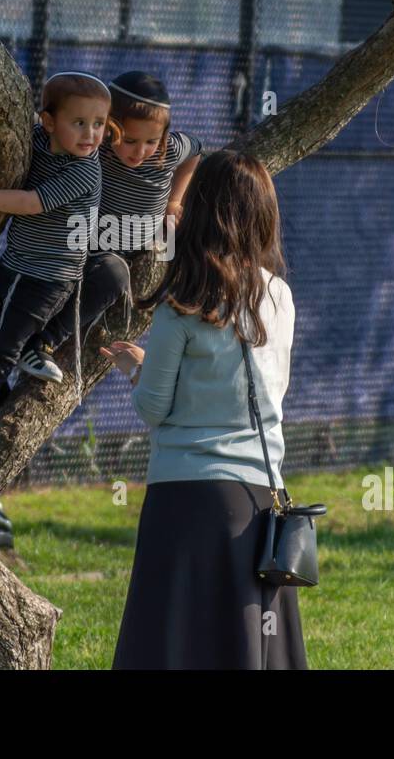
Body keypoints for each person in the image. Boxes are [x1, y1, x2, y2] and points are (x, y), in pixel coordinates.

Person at [100, 150, 307, 669]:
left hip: (185, 499)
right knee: (243, 647)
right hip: (258, 498)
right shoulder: (278, 296)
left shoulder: (183, 302)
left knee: (172, 642)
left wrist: (135, 367)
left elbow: (153, 408)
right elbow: (264, 389)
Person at [0, 71, 202, 387]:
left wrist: (175, 201)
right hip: (76, 250)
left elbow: (196, 152)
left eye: (151, 141)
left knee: (111, 273)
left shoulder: (171, 149)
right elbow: (31, 127)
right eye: (129, 140)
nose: (140, 151)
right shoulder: (95, 146)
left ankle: (42, 344)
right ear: (110, 127)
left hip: (120, 255)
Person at [0, 71, 107, 447]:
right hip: (16, 261)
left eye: (99, 124)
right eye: (79, 123)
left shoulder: (85, 170)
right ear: (48, 122)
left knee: (4, 345)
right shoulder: (37, 136)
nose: (91, 134)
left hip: (51, 276)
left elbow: (29, 204)